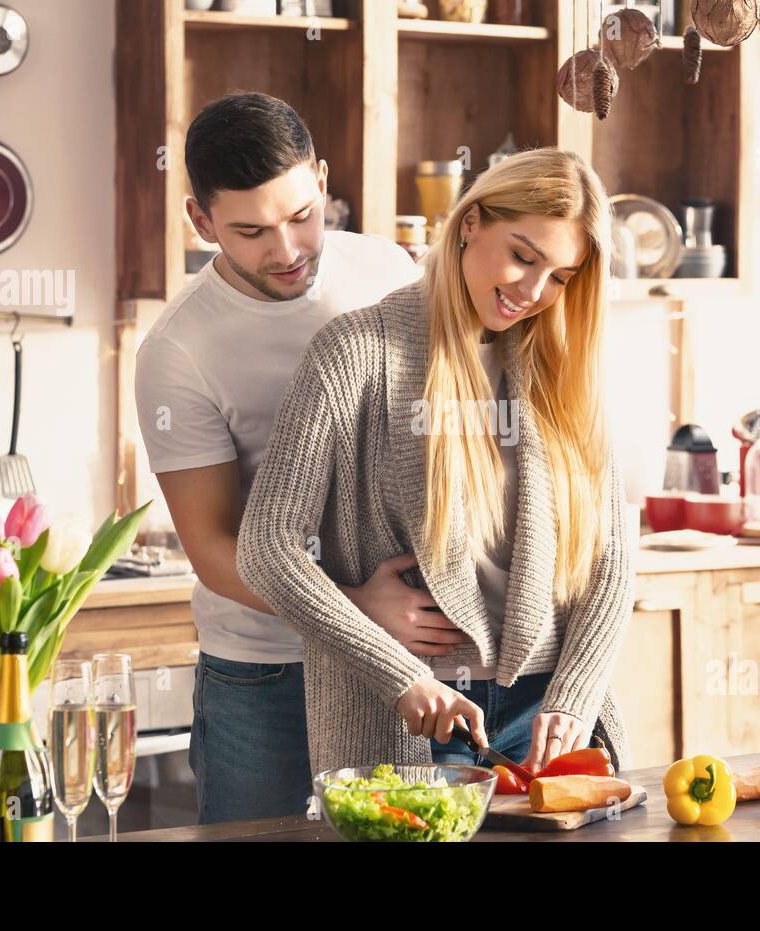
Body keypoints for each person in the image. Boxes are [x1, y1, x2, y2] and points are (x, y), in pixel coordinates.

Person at [238, 147, 635, 777]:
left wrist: (576, 697)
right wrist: (397, 675)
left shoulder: (565, 371)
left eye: (560, 277)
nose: (533, 292)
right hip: (416, 711)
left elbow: (610, 560)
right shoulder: (354, 355)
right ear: (471, 222)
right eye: (523, 256)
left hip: (551, 715)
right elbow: (267, 547)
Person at [134, 93, 465, 822]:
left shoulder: (384, 266)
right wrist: (352, 607)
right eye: (249, 231)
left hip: (409, 656)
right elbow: (214, 547)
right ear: (200, 220)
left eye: (301, 216)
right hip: (266, 674)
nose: (285, 250)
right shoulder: (178, 352)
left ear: (320, 178)